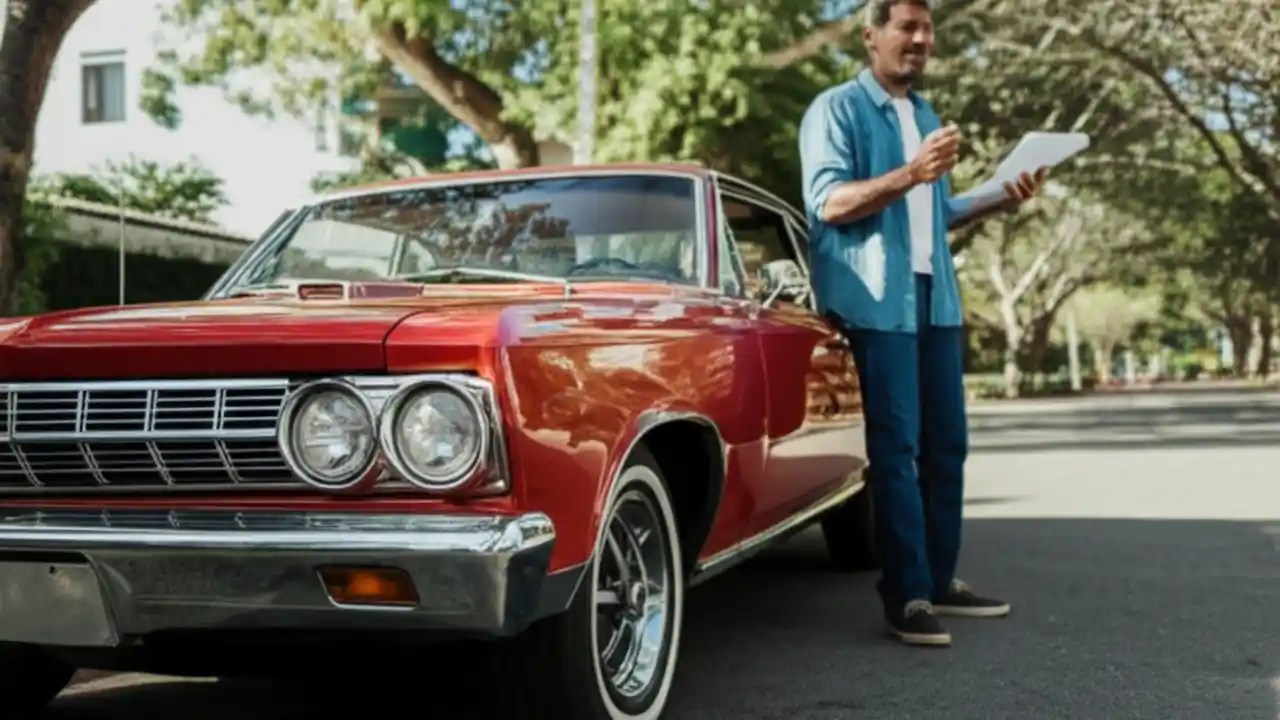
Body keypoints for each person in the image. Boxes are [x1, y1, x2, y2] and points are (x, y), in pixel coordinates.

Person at [798, 0, 1046, 647]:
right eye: (907, 27)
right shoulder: (835, 110)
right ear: (871, 35)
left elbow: (935, 214)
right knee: (897, 450)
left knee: (947, 445)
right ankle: (906, 595)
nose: (920, 38)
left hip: (935, 299)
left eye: (927, 28)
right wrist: (912, 172)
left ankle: (938, 579)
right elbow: (828, 203)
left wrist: (998, 197)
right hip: (878, 300)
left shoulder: (927, 116)